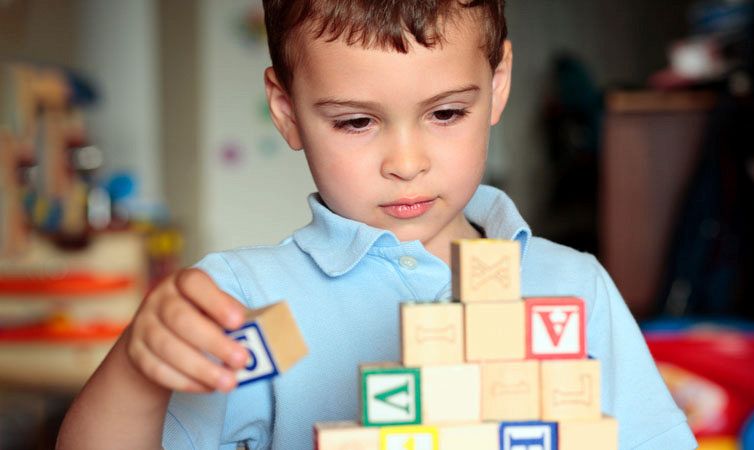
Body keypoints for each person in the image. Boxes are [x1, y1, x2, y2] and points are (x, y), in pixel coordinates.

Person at [57, 1, 697, 449]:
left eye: (446, 113)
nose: (407, 163)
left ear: (497, 83)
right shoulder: (242, 301)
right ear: (287, 111)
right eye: (356, 122)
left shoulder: (574, 288)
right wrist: (139, 372)